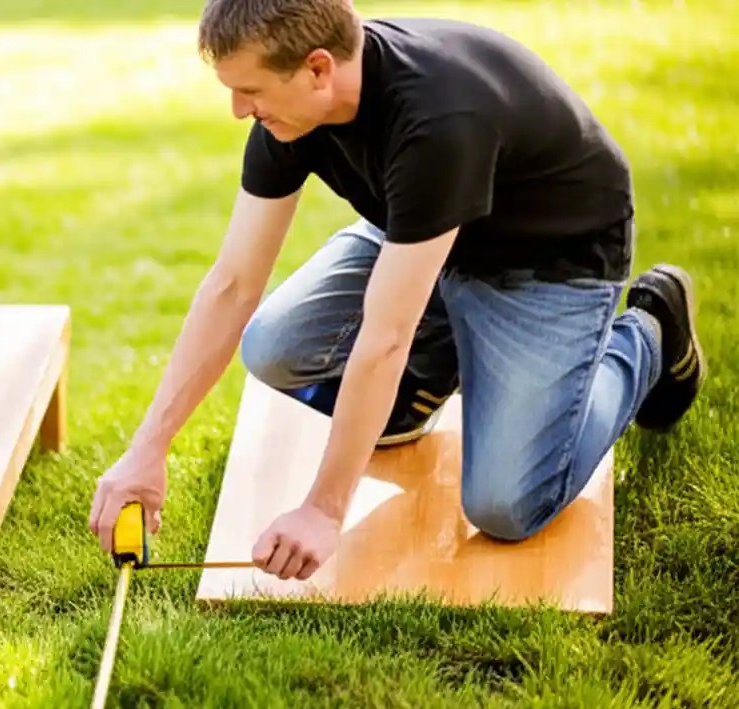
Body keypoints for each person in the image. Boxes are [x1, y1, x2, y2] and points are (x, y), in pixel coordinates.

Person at [87, 0, 706, 581]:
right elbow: (232, 285)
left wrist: (325, 511)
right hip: (423, 239)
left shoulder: (437, 120)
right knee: (275, 346)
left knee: (506, 505)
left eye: (249, 91)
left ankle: (647, 337)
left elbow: (384, 339)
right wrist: (147, 450)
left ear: (318, 69)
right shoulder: (293, 115)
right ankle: (434, 366)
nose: (239, 110)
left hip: (546, 263)